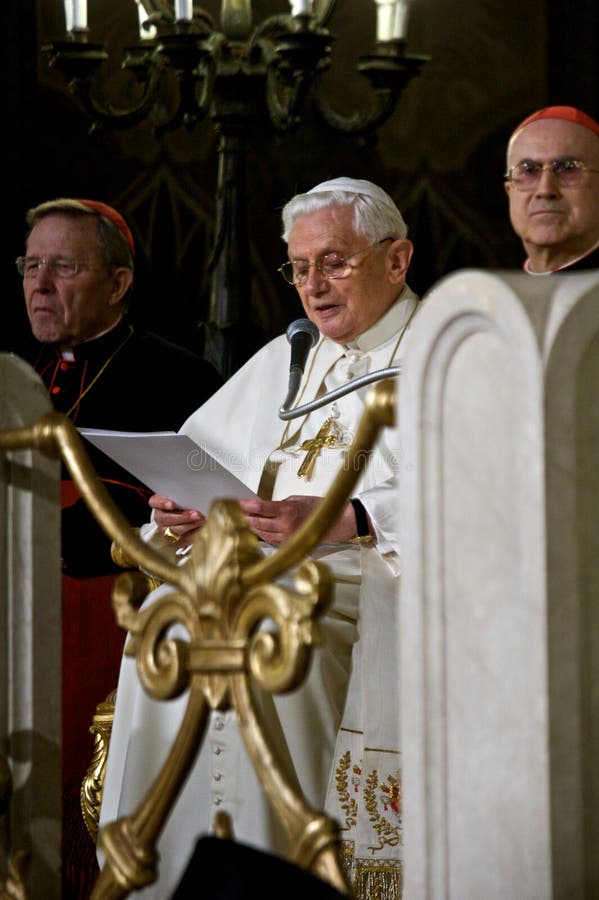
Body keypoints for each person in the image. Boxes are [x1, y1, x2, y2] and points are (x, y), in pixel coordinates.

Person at [99, 177, 419, 899]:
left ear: (395, 260)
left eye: (333, 261)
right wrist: (176, 510)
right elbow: (202, 460)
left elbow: (482, 487)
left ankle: (281, 881)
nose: (312, 285)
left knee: (264, 624)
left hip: (371, 578)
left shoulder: (444, 351)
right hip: (258, 569)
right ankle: (169, 880)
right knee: (165, 623)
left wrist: (351, 516)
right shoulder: (288, 356)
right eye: (298, 267)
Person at [13, 197, 222, 899]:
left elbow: (195, 515)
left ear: (119, 283)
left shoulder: (181, 380)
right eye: (31, 266)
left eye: (64, 267)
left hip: (110, 624)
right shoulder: (21, 380)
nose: (40, 284)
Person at [504, 105, 599, 273]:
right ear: (509, 192)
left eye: (568, 169)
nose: (545, 190)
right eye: (529, 170)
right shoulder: (485, 295)